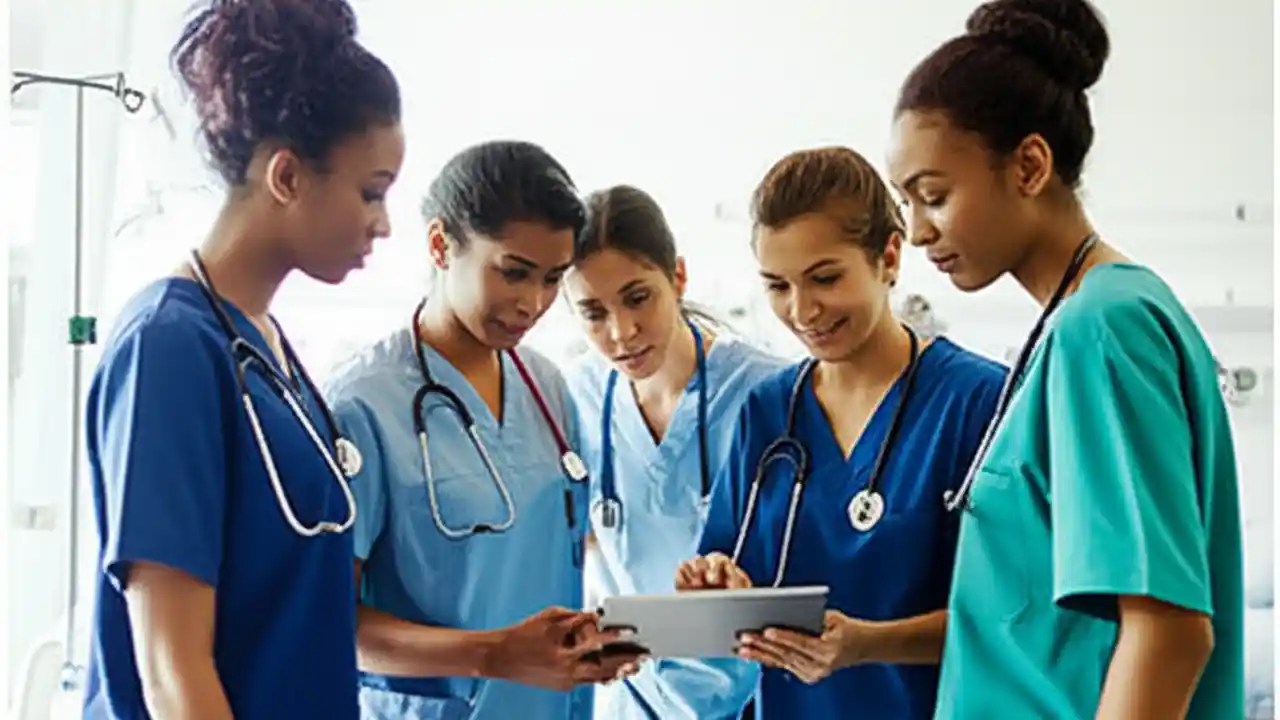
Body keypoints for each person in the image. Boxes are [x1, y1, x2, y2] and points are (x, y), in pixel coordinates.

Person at [886, 0, 1244, 717]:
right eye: (907, 202)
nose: (919, 232)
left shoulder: (1103, 328)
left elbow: (1168, 631)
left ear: (1029, 164)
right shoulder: (1078, 325)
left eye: (934, 196)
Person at [80, 1, 403, 718]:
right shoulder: (169, 348)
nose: (384, 222)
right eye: (370, 192)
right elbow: (172, 672)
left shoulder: (268, 351)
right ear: (286, 177)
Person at [675, 147, 1006, 719]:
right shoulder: (768, 413)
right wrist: (717, 584)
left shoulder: (977, 403)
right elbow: (730, 571)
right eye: (778, 286)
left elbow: (1015, 617)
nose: (802, 310)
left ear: (889, 256)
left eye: (824, 277)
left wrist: (867, 644)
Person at [324, 141, 643, 720]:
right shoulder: (363, 404)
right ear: (441, 245)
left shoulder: (548, 389)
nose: (534, 303)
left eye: (553, 279)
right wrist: (492, 655)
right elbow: (326, 623)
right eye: (514, 273)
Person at [562, 185, 787, 719]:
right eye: (593, 312)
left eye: (638, 297)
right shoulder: (576, 399)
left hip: (754, 694)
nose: (622, 332)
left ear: (678, 277)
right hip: (632, 698)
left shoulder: (768, 393)